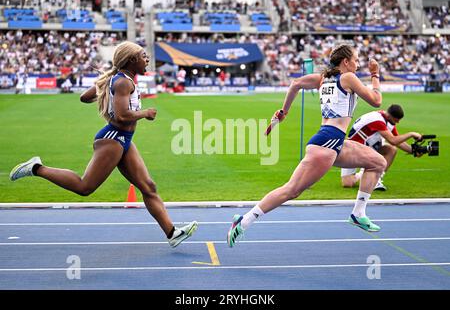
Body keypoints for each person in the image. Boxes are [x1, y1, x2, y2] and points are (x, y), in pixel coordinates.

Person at [9, 41, 198, 248]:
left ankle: (172, 233)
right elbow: (122, 115)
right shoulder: (123, 83)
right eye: (144, 56)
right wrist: (145, 113)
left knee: (148, 186)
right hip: (113, 139)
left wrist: (106, 83)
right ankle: (37, 168)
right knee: (85, 187)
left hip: (124, 140)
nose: (147, 60)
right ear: (131, 60)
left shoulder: (118, 79)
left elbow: (84, 97)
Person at [227, 44, 387, 248]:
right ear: (345, 62)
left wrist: (283, 112)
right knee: (291, 190)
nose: (357, 64)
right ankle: (244, 221)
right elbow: (376, 100)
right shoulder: (348, 77)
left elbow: (295, 84)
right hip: (327, 143)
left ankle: (358, 213)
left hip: (334, 142)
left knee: (377, 162)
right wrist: (375, 75)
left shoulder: (322, 78)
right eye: (355, 60)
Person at [341, 104, 422, 191]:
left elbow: (398, 142)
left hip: (366, 148)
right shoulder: (378, 120)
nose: (397, 122)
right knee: (347, 183)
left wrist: (413, 150)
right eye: (396, 120)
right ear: (390, 115)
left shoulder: (388, 120)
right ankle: (364, 174)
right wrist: (411, 134)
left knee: (391, 149)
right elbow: (393, 140)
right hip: (353, 150)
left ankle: (376, 178)